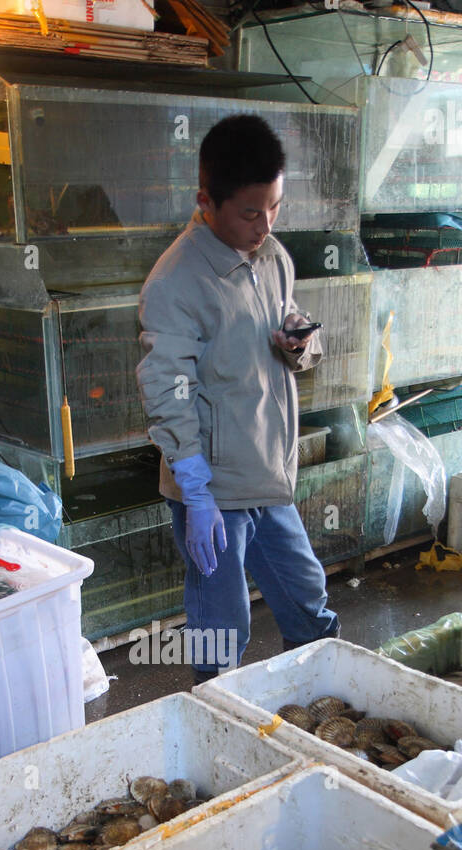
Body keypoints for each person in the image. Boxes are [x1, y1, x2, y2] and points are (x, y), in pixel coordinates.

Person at [135, 113, 340, 683]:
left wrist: (299, 342)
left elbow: (286, 322)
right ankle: (215, 711)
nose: (265, 224)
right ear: (207, 200)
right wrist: (194, 490)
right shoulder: (176, 282)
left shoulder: (272, 256)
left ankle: (325, 691)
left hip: (267, 472)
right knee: (221, 625)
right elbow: (166, 388)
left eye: (275, 206)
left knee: (305, 593)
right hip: (213, 487)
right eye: (251, 212)